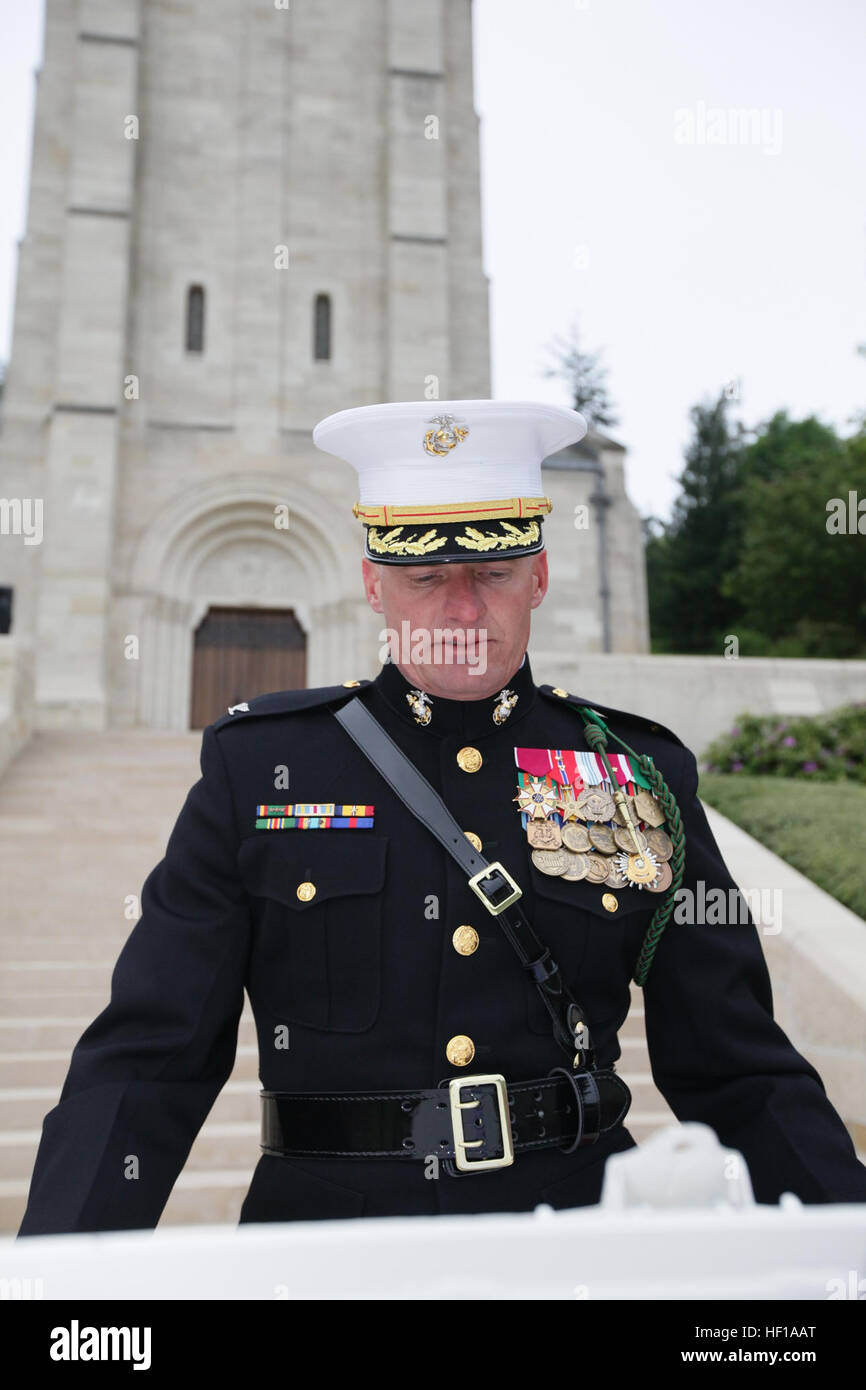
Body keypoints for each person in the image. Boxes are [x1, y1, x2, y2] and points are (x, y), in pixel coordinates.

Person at [18, 400, 866, 1235]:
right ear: (372, 586)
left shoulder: (633, 770)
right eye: (425, 578)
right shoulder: (263, 771)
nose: (461, 611)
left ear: (538, 576)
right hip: (327, 1248)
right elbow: (149, 1061)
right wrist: (54, 1284)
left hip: (573, 1240)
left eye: (493, 574)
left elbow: (738, 1067)